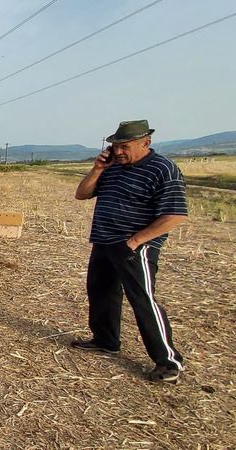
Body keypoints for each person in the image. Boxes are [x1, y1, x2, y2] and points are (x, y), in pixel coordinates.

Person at [72, 120, 187, 383]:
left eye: (125, 146)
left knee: (143, 299)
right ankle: (106, 340)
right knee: (101, 291)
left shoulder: (163, 169)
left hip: (135, 246)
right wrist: (98, 168)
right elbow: (82, 194)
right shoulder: (111, 168)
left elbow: (175, 215)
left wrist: (136, 241)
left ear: (146, 143)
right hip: (104, 240)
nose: (119, 151)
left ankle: (168, 361)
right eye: (115, 146)